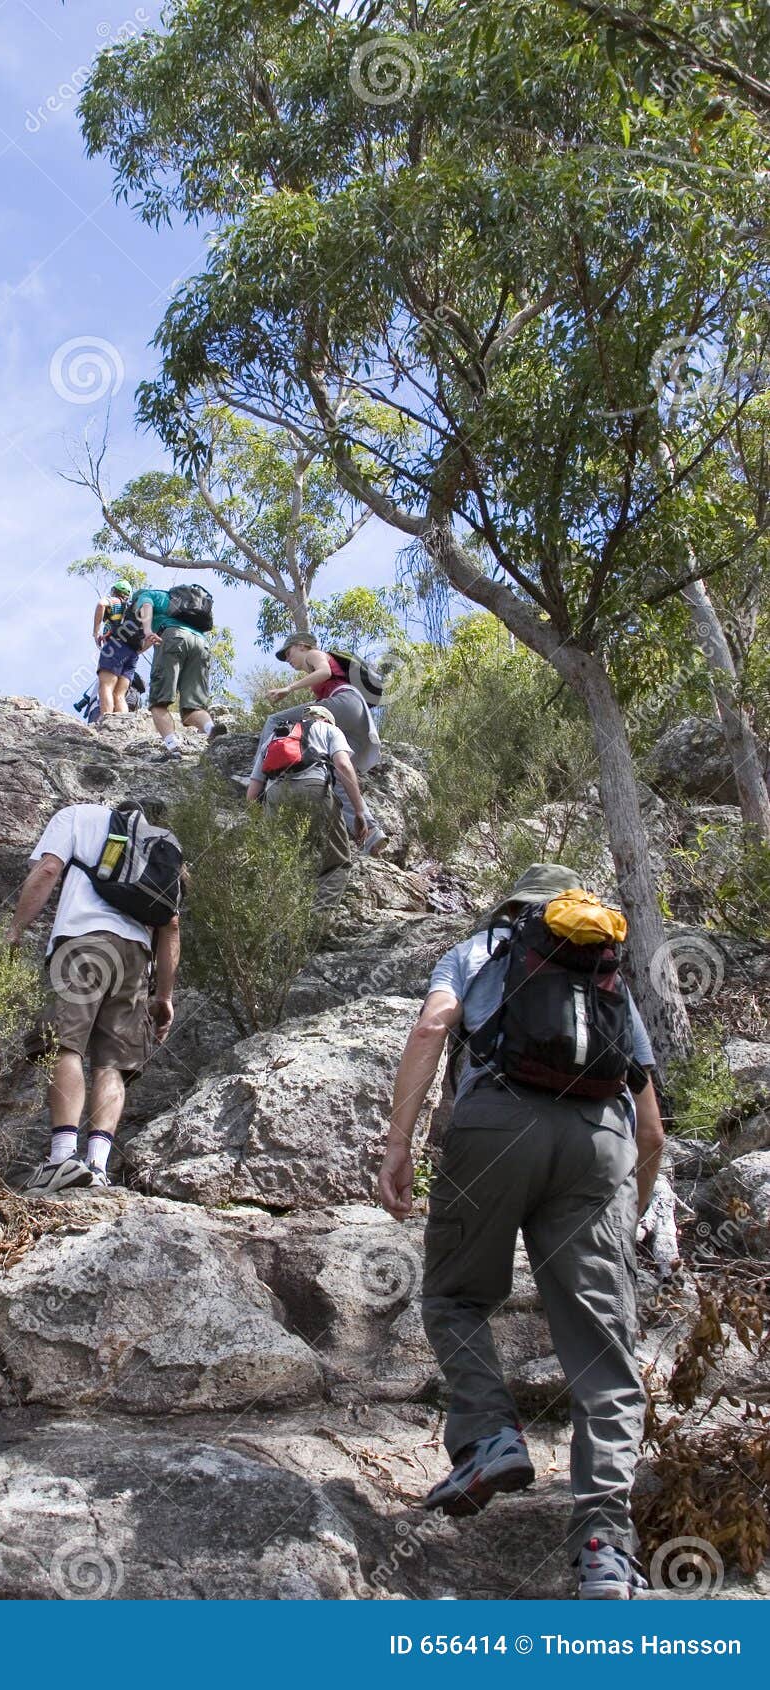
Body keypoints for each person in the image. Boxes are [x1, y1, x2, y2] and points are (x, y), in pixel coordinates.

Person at [378, 863, 665, 1601]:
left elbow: (432, 1026)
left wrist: (398, 1141)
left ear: (512, 908)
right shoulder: (605, 973)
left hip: (494, 1123)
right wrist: (624, 1209)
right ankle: (603, 1549)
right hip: (598, 1144)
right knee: (604, 1353)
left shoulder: (480, 950)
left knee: (454, 1297)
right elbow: (652, 1126)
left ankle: (488, 1437)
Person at [3, 799, 181, 1194]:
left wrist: (15, 930)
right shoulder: (161, 844)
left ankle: (62, 1157)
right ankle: (98, 1166)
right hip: (136, 957)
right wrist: (164, 996)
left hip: (81, 943)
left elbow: (48, 869)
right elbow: (170, 924)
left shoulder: (77, 816)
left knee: (64, 1044)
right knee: (114, 1062)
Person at [256, 634, 387, 853]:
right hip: (356, 715)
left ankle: (262, 775)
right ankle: (372, 833)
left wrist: (288, 689)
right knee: (336, 774)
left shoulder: (314, 654)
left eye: (289, 653)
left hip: (344, 702)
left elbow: (324, 672)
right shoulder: (315, 668)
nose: (288, 660)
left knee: (275, 720)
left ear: (302, 646)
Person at [246, 704, 369, 909]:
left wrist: (259, 825)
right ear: (327, 719)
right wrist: (359, 811)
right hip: (313, 787)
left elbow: (252, 792)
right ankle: (318, 917)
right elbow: (343, 765)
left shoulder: (275, 737)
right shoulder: (329, 729)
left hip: (275, 793)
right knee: (336, 861)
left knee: (280, 860)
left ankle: (278, 917)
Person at [133, 585, 226, 760]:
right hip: (201, 644)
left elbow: (145, 606)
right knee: (194, 707)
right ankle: (211, 729)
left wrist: (146, 630)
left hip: (174, 637)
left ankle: (173, 746)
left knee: (158, 702)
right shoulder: (175, 599)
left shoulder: (146, 595)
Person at [93, 577, 140, 718]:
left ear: (115, 591)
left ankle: (106, 721)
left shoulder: (116, 601)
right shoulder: (133, 609)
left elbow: (101, 604)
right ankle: (122, 724)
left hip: (114, 646)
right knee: (119, 694)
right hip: (132, 652)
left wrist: (96, 631)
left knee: (106, 686)